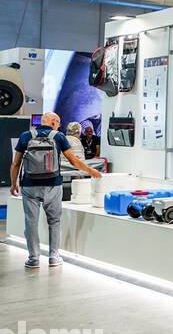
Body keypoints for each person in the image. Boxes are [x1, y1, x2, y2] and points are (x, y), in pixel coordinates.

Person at [9, 112, 103, 268]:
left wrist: (14, 184)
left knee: (30, 223)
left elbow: (15, 164)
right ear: (53, 122)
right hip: (53, 185)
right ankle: (53, 257)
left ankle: (33, 259)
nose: (59, 126)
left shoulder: (26, 135)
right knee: (54, 221)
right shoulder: (58, 136)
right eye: (58, 123)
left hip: (29, 186)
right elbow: (74, 161)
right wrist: (91, 171)